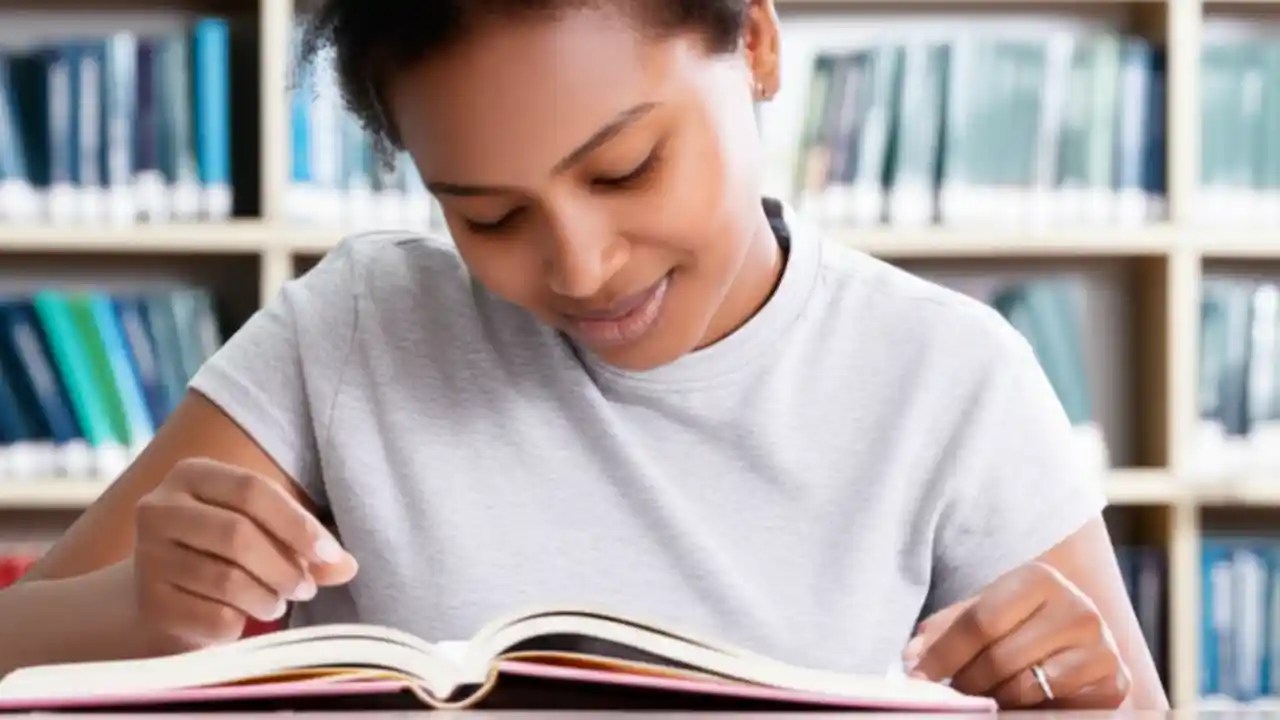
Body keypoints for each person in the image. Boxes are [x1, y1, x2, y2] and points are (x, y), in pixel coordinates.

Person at [0, 0, 1166, 709]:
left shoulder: (947, 375)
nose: (577, 268)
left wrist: (1070, 701)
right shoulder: (355, 326)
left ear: (754, 44)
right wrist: (134, 613)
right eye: (487, 218)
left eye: (622, 171)